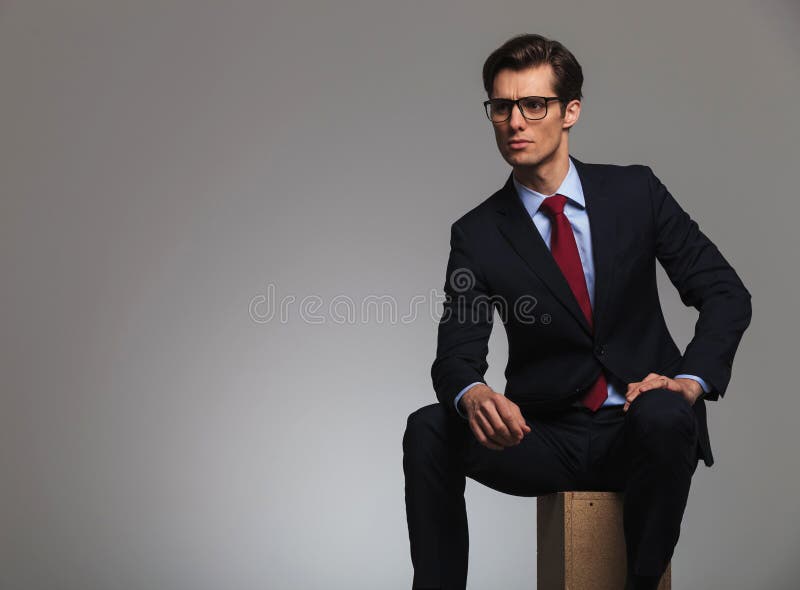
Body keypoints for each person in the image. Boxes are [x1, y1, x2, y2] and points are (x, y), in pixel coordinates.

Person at [402, 33, 752, 590]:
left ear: (570, 111)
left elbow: (726, 293)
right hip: (542, 436)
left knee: (664, 413)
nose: (515, 121)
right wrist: (475, 394)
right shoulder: (477, 234)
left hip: (641, 427)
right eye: (501, 106)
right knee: (427, 428)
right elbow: (455, 357)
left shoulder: (636, 192)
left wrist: (688, 381)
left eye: (533, 105)